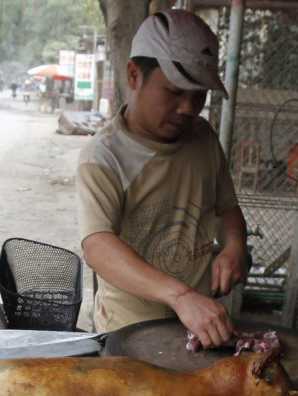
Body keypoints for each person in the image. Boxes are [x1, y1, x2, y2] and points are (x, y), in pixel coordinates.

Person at [76, 10, 248, 348]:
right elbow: (97, 246)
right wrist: (181, 296)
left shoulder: (204, 138)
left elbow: (226, 207)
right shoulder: (104, 156)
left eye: (199, 95)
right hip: (128, 333)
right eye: (173, 92)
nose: (188, 107)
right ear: (134, 75)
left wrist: (234, 247)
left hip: (197, 329)